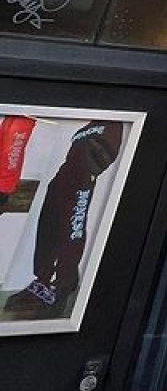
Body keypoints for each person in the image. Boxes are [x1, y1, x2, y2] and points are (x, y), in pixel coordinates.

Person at [4, 119, 122, 319]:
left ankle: (63, 285)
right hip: (63, 179)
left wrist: (90, 169)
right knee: (48, 226)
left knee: (71, 231)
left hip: (81, 183)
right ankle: (42, 281)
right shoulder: (91, 125)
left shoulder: (113, 125)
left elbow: (103, 156)